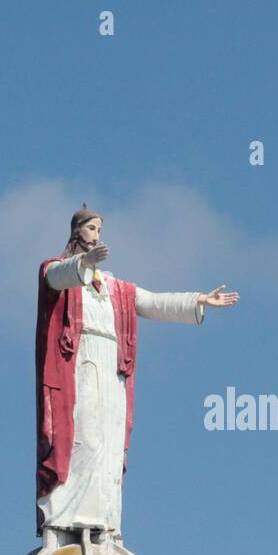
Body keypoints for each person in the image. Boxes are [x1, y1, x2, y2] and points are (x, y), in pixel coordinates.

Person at [35, 205, 238, 536]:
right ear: (76, 232)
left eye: (99, 229)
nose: (96, 235)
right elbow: (56, 279)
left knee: (108, 439)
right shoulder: (59, 270)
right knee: (81, 435)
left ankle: (103, 514)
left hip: (112, 364)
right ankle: (69, 513)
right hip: (80, 362)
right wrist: (83, 264)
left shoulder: (115, 288)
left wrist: (198, 300)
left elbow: (152, 302)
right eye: (91, 229)